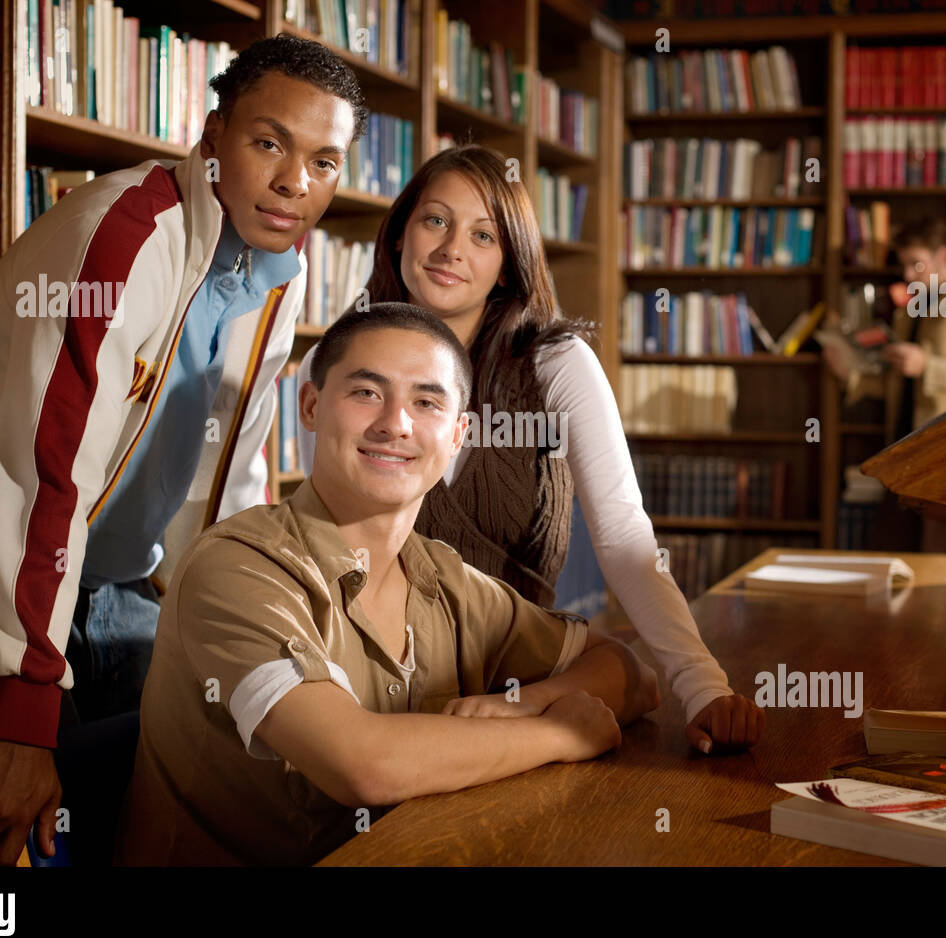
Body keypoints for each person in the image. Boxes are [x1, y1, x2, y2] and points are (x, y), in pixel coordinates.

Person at [0, 34, 365, 866]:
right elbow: (46, 472)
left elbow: (231, 473)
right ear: (213, 137)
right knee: (3, 878)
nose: (296, 182)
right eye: (268, 143)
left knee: (156, 834)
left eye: (324, 161)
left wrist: (235, 615)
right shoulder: (124, 235)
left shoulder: (281, 271)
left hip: (117, 588)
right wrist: (26, 705)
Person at [117, 303, 661, 865]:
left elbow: (632, 676)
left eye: (426, 402)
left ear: (457, 435)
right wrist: (560, 736)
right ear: (309, 406)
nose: (395, 424)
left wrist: (534, 705)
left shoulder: (443, 577)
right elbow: (363, 766)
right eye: (366, 393)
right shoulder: (237, 567)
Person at [296, 145, 764, 754]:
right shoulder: (338, 362)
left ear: (510, 263)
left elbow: (623, 534)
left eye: (483, 235)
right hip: (372, 680)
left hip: (521, 671)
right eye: (435, 220)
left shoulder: (554, 363)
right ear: (399, 235)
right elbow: (322, 528)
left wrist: (703, 686)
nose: (451, 249)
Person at [823, 216, 946, 552]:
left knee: (942, 565)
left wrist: (929, 366)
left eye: (916, 264)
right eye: (904, 265)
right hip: (901, 456)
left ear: (944, 257)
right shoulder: (911, 308)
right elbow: (900, 384)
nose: (908, 275)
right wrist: (852, 376)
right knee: (892, 556)